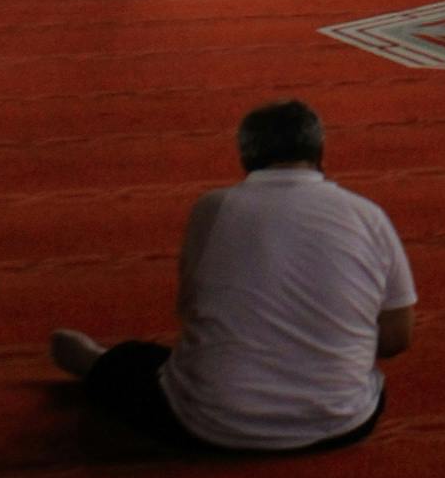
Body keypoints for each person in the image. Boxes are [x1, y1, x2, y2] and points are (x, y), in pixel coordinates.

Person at [50, 99, 416, 453]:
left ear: (246, 155)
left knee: (133, 361)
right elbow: (398, 337)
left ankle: (94, 361)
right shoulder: (368, 215)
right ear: (320, 151)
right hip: (343, 422)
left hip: (215, 424)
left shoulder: (214, 207)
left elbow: (193, 310)